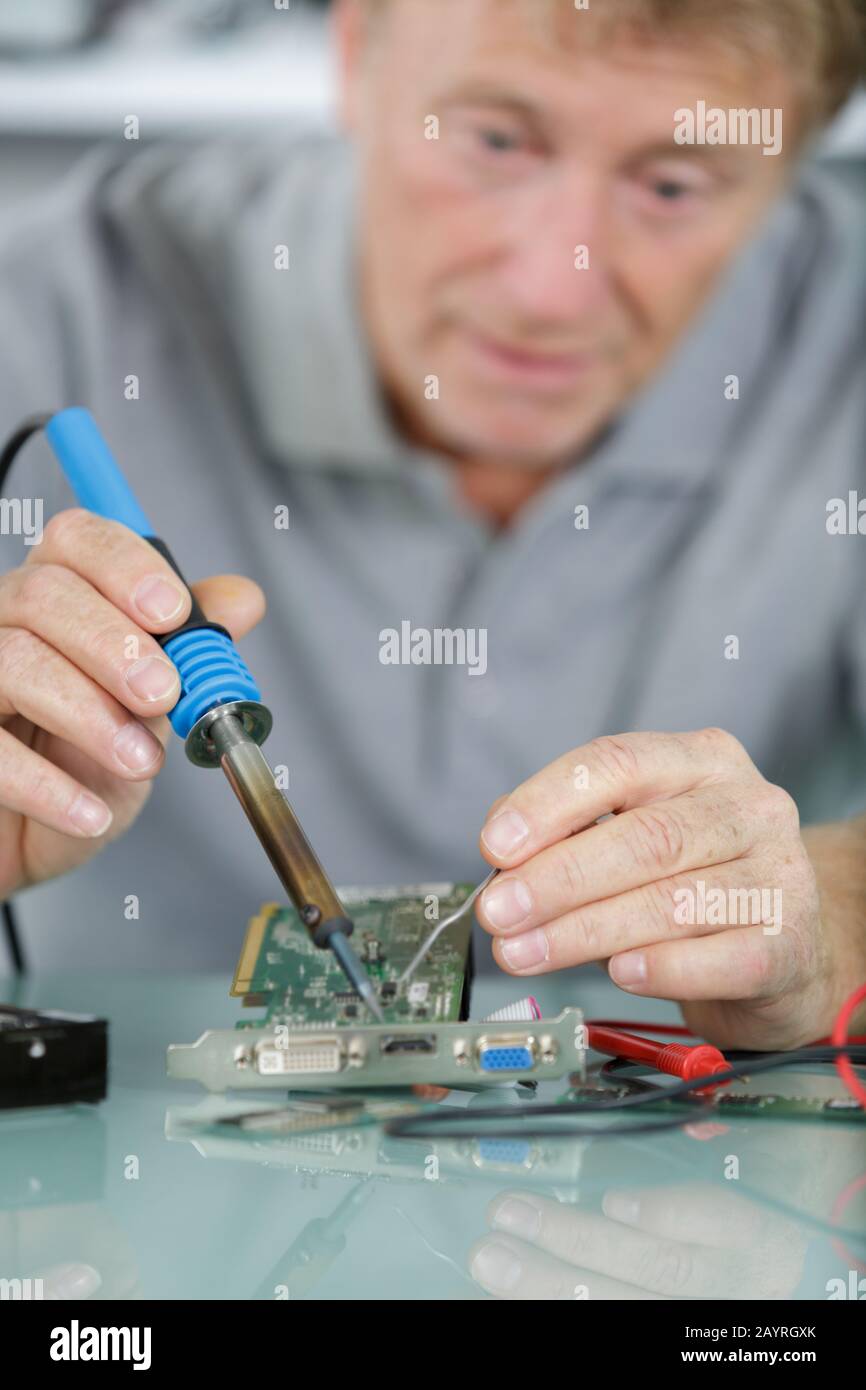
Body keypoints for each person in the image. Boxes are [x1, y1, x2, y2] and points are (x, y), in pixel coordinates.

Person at [0, 0, 864, 1049]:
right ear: (356, 50)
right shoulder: (47, 309)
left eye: (670, 184)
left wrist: (831, 916)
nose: (551, 287)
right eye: (495, 140)